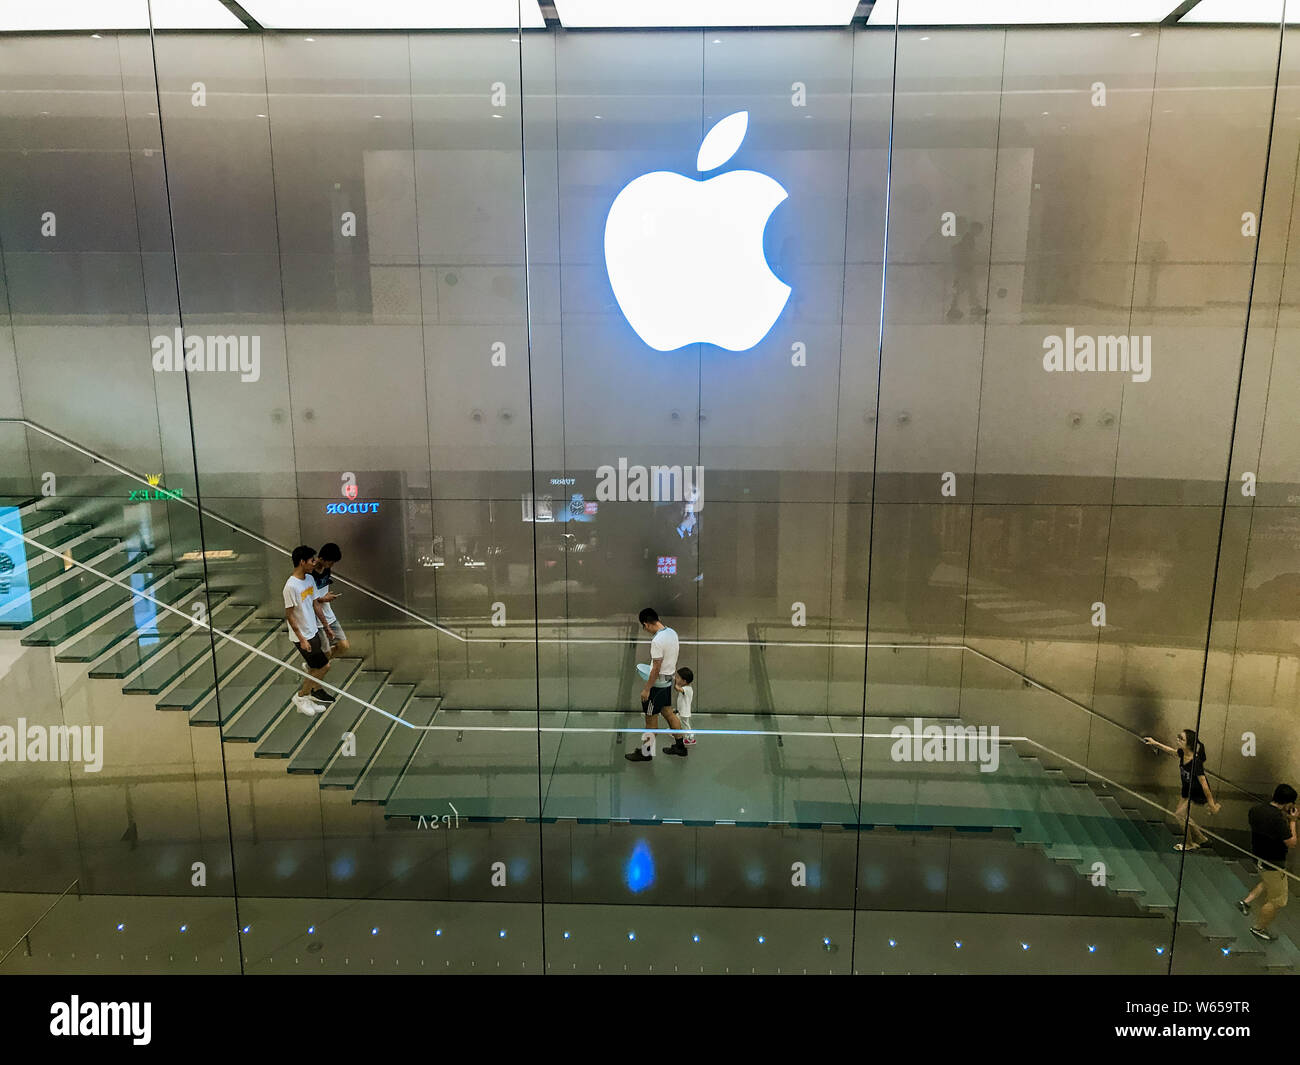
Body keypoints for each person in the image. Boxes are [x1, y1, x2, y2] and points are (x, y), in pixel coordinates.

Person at [1237, 784, 1299, 941]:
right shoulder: (1278, 819)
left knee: (1267, 882)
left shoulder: (1256, 810)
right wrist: (1292, 821)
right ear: (1288, 803)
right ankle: (1259, 928)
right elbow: (1291, 842)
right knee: (1278, 900)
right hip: (1273, 862)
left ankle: (1246, 901)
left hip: (1258, 856)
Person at [1142, 728, 1220, 850]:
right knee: (1183, 815)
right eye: (1178, 737)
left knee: (1179, 815)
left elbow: (1204, 785)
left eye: (1181, 739)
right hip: (1187, 789)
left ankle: (1189, 844)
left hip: (1195, 792)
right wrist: (1155, 743)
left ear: (1189, 744)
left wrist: (1212, 805)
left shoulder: (1196, 762)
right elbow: (1171, 751)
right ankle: (1201, 839)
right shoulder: (1183, 753)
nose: (1178, 740)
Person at [626, 607, 688, 761]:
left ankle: (646, 753)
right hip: (667, 682)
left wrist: (647, 689)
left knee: (650, 718)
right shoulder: (672, 633)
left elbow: (656, 667)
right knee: (668, 713)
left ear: (646, 624)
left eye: (644, 627)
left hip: (657, 686)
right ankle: (680, 746)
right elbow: (672, 658)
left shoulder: (657, 641)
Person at [283, 545, 331, 716]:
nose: (314, 562)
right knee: (324, 666)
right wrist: (302, 639)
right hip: (302, 635)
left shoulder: (309, 579)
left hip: (313, 630)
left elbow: (315, 603)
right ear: (302, 562)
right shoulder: (290, 587)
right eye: (311, 560)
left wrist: (326, 626)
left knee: (314, 667)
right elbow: (289, 615)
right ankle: (301, 696)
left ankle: (308, 697)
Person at [312, 542, 350, 659]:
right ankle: (315, 667)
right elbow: (308, 598)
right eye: (331, 562)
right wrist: (323, 599)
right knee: (326, 652)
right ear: (322, 559)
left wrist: (325, 597)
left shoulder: (326, 569)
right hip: (315, 618)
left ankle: (312, 666)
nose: (332, 565)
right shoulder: (310, 572)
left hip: (328, 614)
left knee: (344, 646)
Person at [674, 666, 695, 747]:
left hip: (684, 712)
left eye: (678, 677)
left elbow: (677, 688)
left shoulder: (687, 689)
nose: (677, 678)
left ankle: (690, 738)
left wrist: (674, 681)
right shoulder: (685, 687)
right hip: (681, 711)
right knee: (678, 721)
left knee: (686, 725)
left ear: (684, 681)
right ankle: (676, 732)